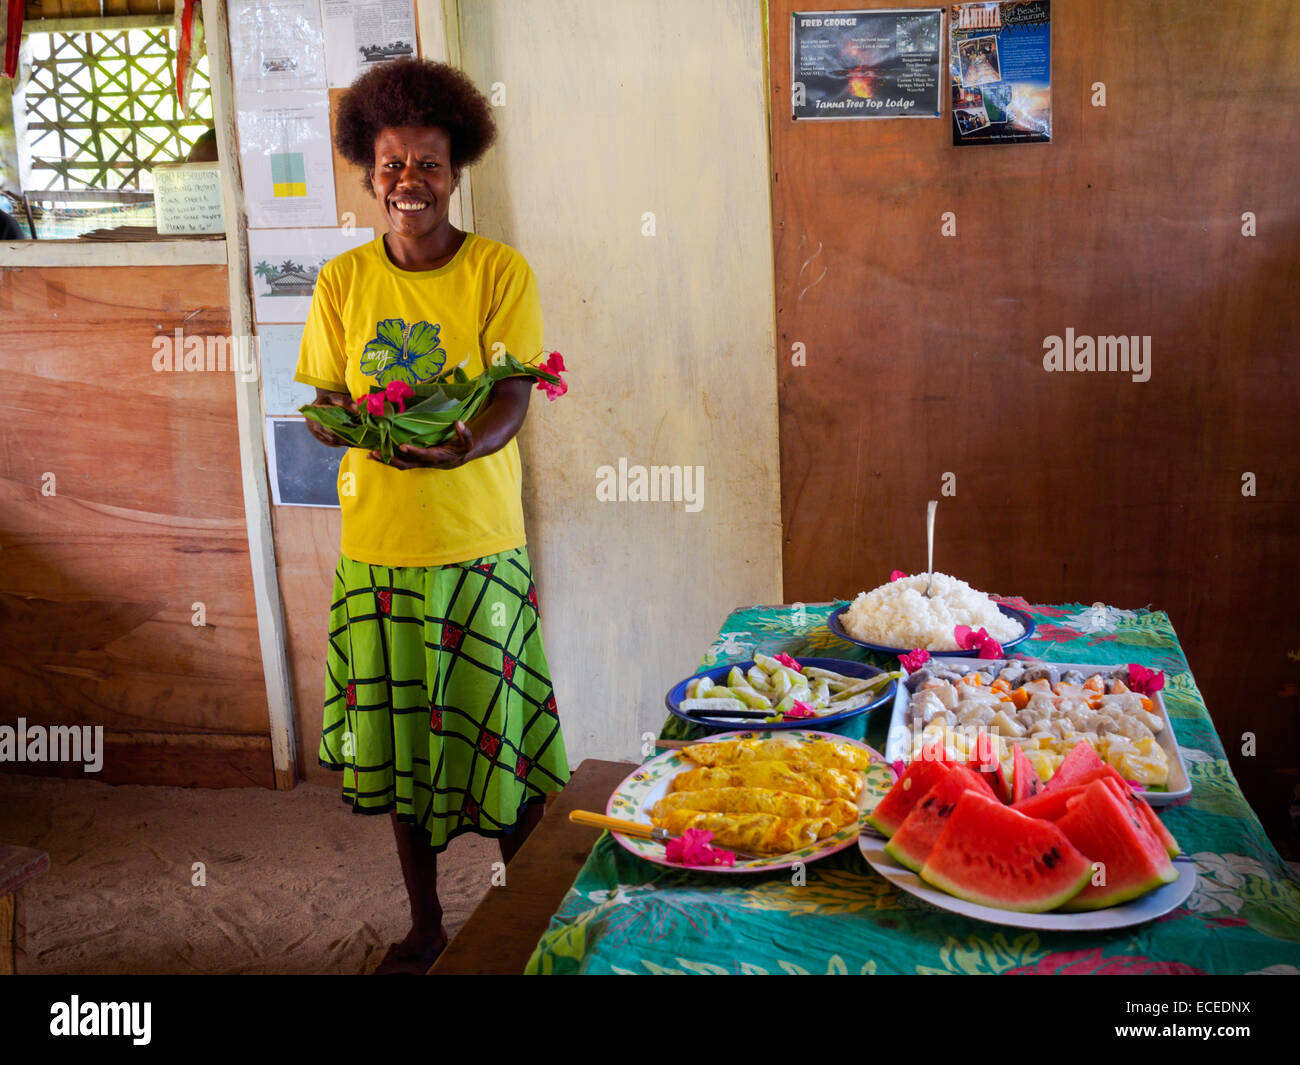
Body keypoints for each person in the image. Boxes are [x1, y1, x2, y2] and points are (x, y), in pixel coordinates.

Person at [292, 57, 570, 975]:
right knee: (406, 751)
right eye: (392, 165)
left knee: (507, 751)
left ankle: (524, 918)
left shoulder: (498, 270)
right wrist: (342, 426)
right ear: (369, 173)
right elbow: (326, 397)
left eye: (429, 165)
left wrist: (463, 446)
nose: (409, 182)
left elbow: (516, 394)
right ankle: (424, 926)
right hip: (378, 553)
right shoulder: (340, 283)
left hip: (479, 546)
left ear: (456, 174)